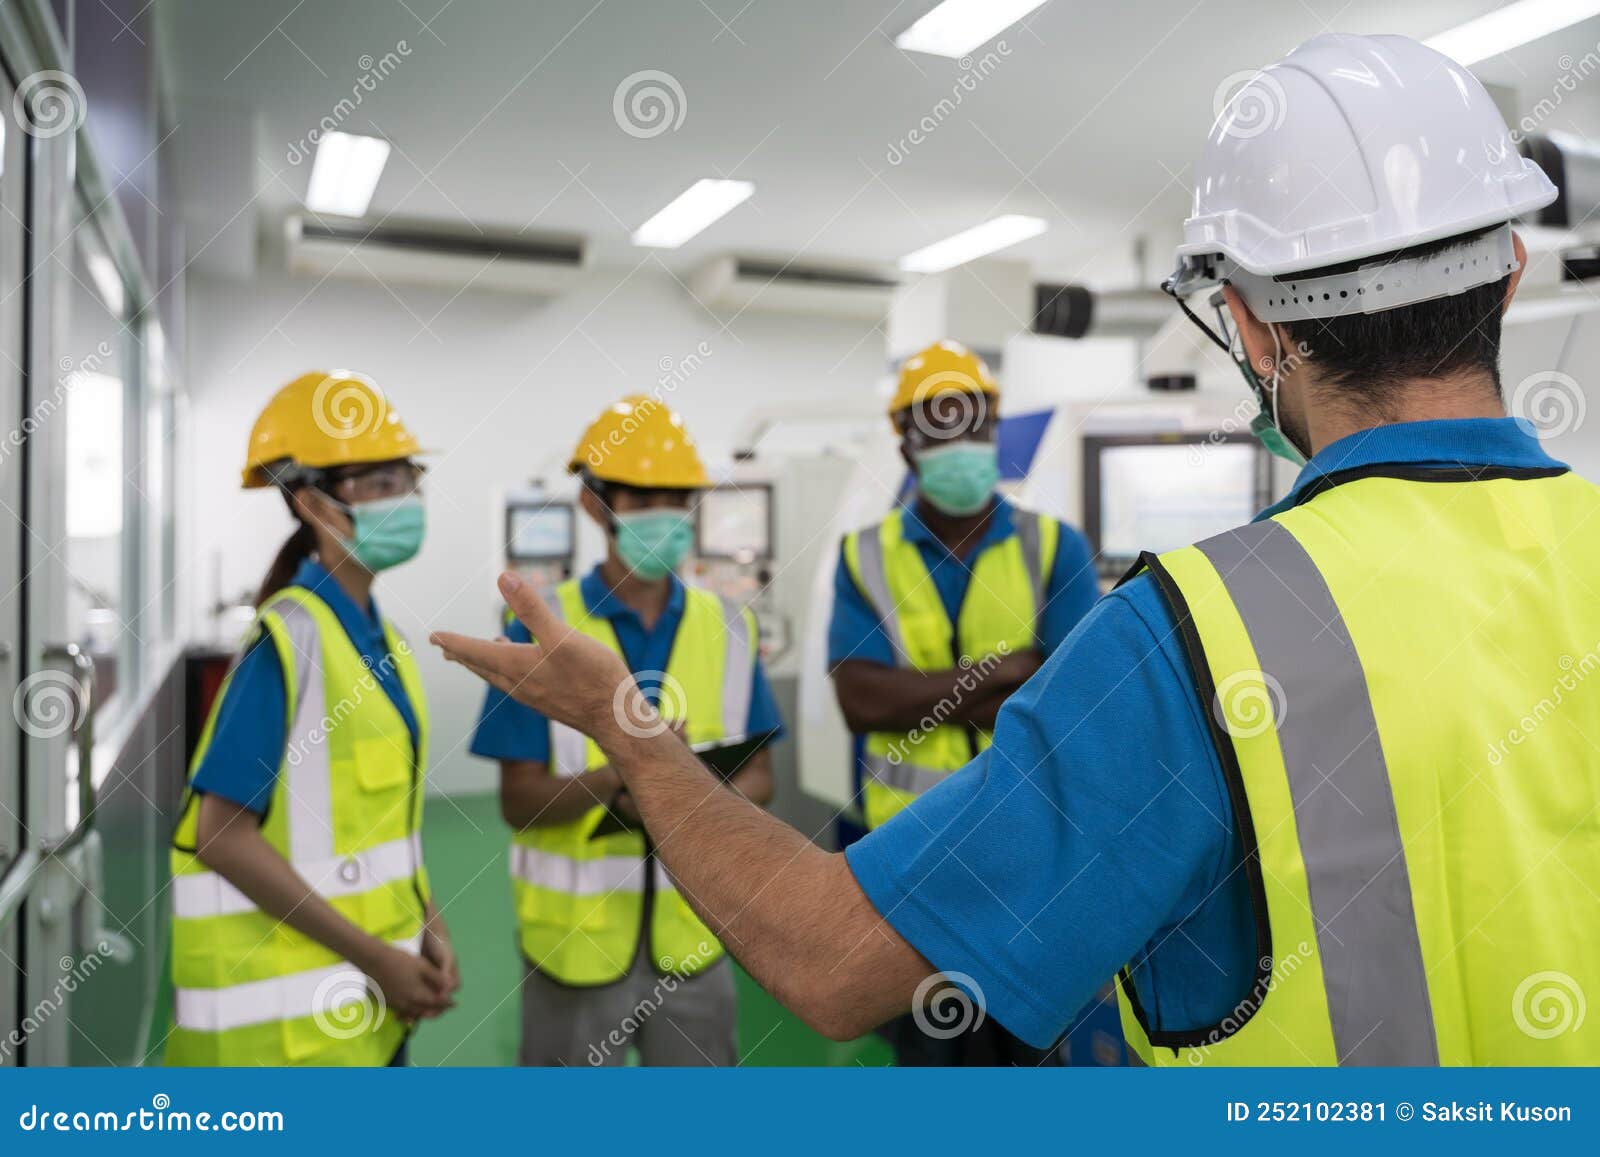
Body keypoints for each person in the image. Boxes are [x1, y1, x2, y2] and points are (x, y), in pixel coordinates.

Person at [433, 34, 1600, 1066]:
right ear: (1511, 264)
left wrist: (624, 726)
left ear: (1249, 324)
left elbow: (831, 957)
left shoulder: (1191, 635)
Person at [469, 394, 783, 1066]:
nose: (661, 514)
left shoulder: (729, 626)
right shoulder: (539, 628)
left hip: (697, 934)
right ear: (593, 503)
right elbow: (519, 801)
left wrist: (678, 786)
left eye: (676, 497)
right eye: (640, 498)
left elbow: (760, 775)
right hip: (575, 947)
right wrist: (626, 769)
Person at [167, 371, 457, 1067]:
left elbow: (380, 821)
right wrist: (377, 959)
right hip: (288, 1042)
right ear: (312, 503)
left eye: (406, 480)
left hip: (364, 1016)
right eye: (377, 484)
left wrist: (426, 923)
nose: (403, 501)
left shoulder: (378, 635)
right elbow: (222, 837)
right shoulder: (287, 642)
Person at [828, 340, 1097, 1064]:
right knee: (931, 1052)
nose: (960, 444)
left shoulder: (1054, 546)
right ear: (906, 443)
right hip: (907, 855)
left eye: (974, 424)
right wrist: (1007, 672)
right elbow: (861, 699)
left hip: (1030, 846)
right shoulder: (865, 555)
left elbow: (1072, 698)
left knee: (1031, 1048)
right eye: (939, 427)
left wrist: (926, 690)